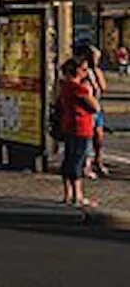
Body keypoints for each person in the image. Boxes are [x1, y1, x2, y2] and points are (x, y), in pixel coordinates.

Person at [56, 57, 100, 207]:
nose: (86, 72)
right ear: (76, 71)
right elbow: (95, 107)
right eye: (84, 69)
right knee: (78, 160)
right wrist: (90, 90)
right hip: (81, 128)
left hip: (69, 126)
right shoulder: (78, 89)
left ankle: (68, 194)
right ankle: (77, 195)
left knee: (69, 158)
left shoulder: (65, 86)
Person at [80, 45, 108, 178]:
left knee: (99, 136)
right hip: (87, 107)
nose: (95, 60)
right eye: (94, 57)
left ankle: (98, 160)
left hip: (96, 106)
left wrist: (96, 73)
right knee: (87, 137)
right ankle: (86, 164)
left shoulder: (96, 71)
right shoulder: (82, 70)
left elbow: (103, 87)